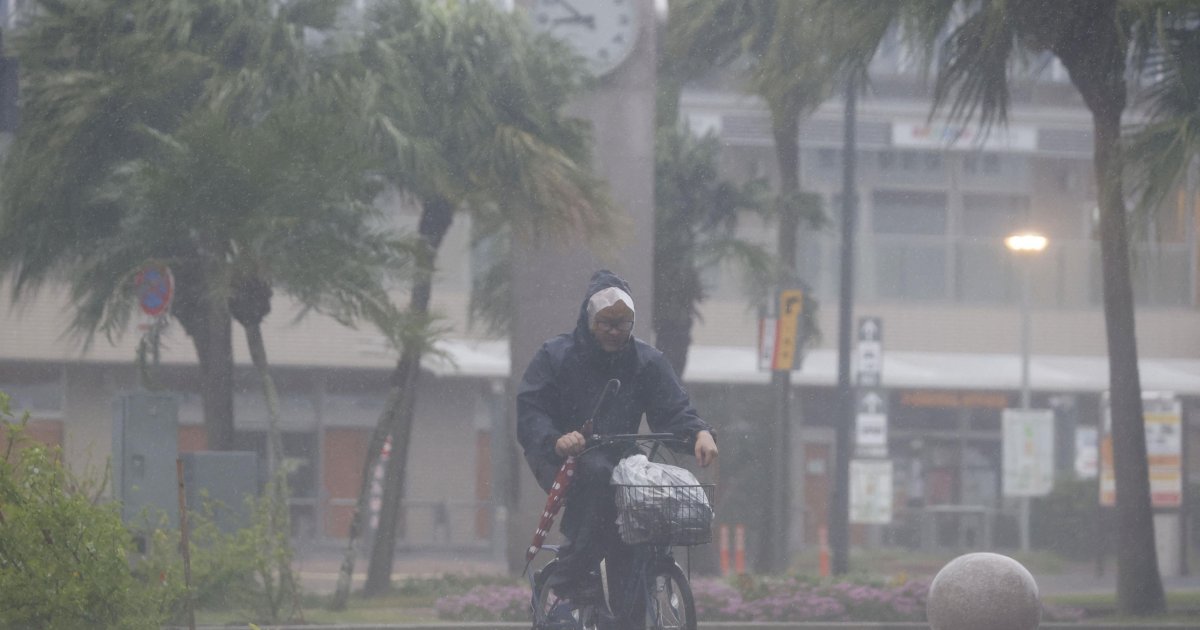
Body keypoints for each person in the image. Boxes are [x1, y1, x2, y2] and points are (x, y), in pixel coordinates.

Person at [517, 269, 718, 625]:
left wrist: (699, 433)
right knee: (596, 480)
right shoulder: (555, 355)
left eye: (622, 324)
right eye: (606, 323)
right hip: (561, 457)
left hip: (620, 456)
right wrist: (556, 439)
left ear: (632, 323)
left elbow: (673, 409)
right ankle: (571, 578)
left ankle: (628, 602)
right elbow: (531, 410)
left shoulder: (647, 361)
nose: (614, 331)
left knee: (640, 499)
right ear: (589, 320)